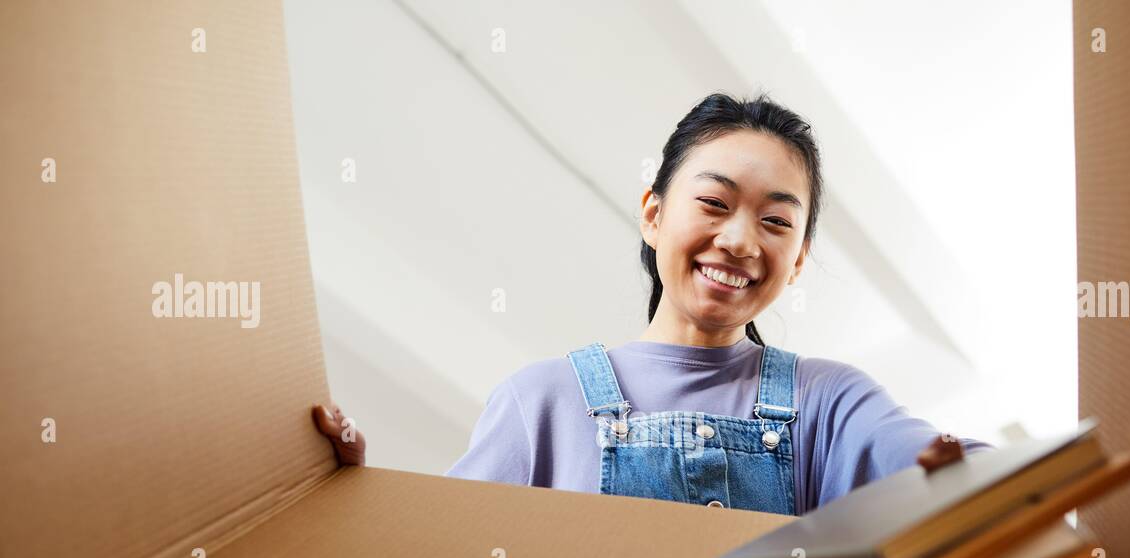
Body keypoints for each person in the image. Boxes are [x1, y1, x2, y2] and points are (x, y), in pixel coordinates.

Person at [313, 92, 991, 515]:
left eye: (777, 223)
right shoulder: (541, 403)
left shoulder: (830, 405)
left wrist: (984, 476)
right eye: (714, 203)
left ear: (800, 260)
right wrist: (351, 501)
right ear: (653, 214)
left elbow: (940, 465)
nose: (738, 240)